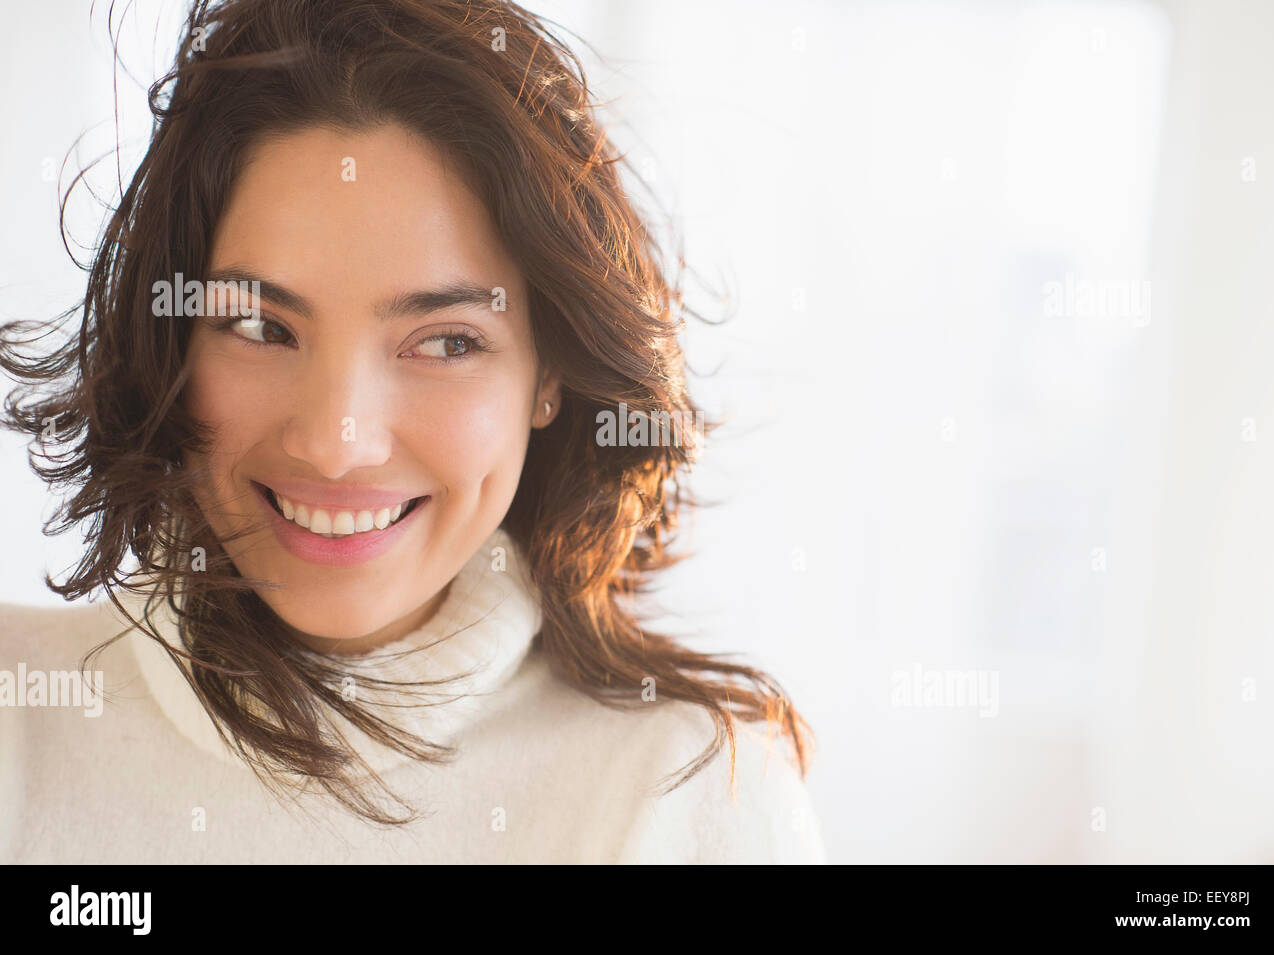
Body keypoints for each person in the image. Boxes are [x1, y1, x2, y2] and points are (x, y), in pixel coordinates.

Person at [0, 0, 825, 864]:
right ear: (169, 335)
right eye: (259, 326)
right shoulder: (23, 723)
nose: (335, 441)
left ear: (550, 373)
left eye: (445, 342)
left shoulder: (689, 795)